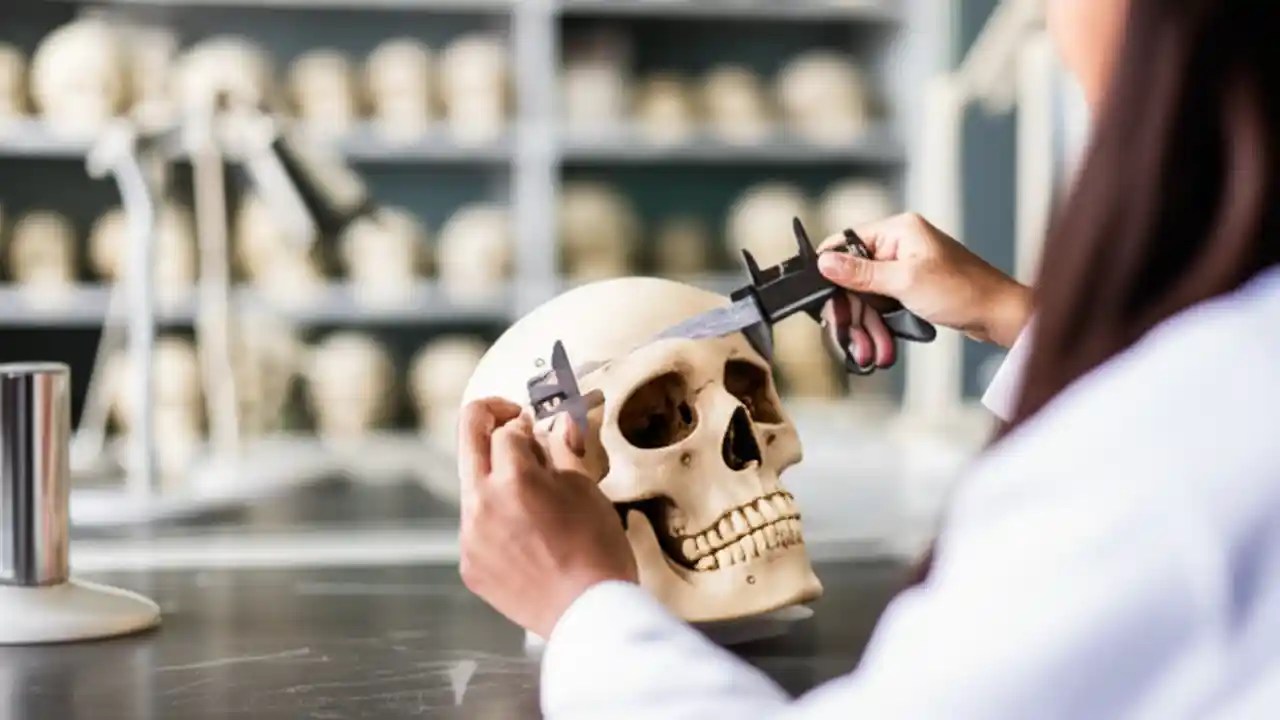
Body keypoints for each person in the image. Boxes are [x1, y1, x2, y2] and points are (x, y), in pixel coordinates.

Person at [458, 0, 1280, 717]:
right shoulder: (1227, 389)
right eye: (657, 419)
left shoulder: (1181, 472)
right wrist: (1009, 314)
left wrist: (583, 609)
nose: (764, 443)